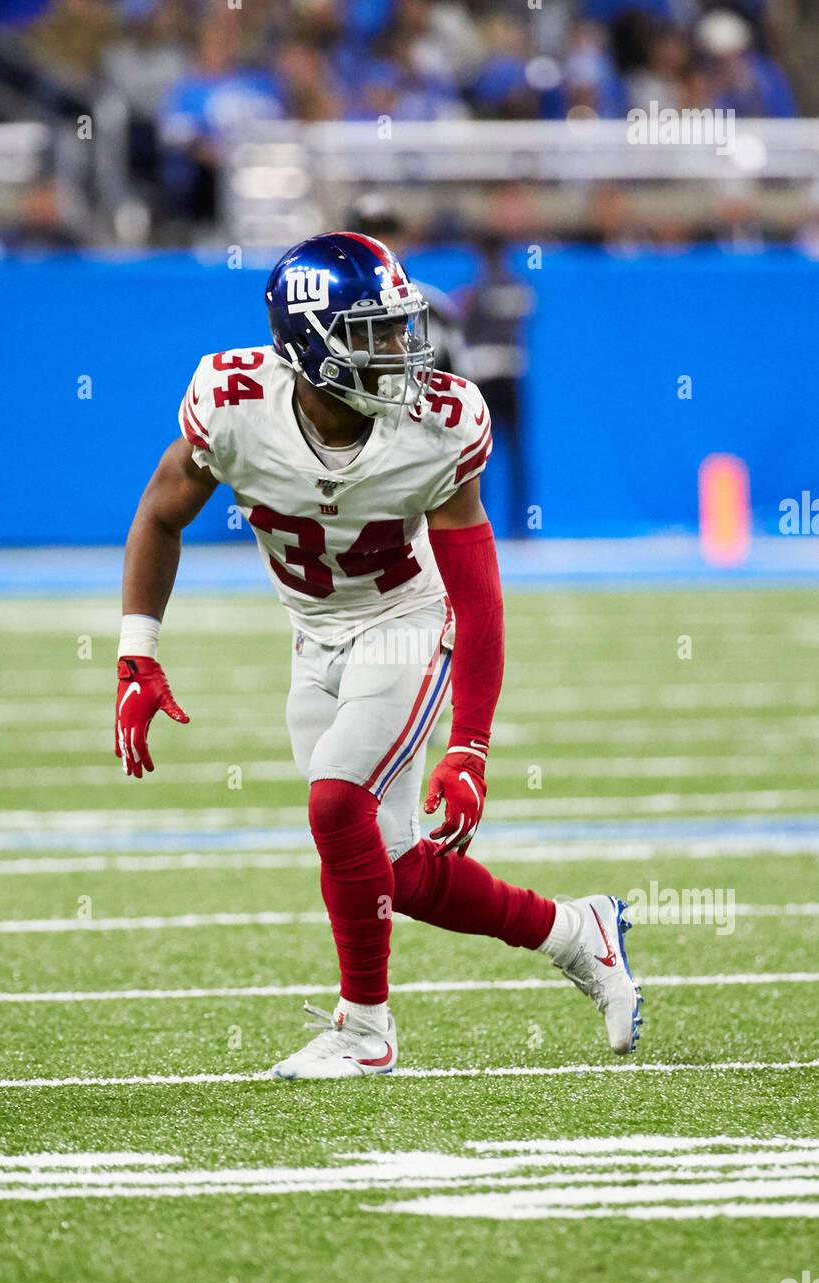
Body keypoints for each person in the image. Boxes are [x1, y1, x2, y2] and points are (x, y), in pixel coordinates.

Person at [115, 232, 643, 1079]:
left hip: (405, 622)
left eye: (400, 328)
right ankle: (578, 932)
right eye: (373, 333)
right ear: (307, 345)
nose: (401, 350)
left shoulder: (438, 421)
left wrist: (470, 744)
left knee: (334, 806)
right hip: (312, 637)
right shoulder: (232, 398)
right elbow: (160, 514)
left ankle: (364, 1029)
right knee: (393, 865)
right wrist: (137, 652)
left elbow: (475, 589)